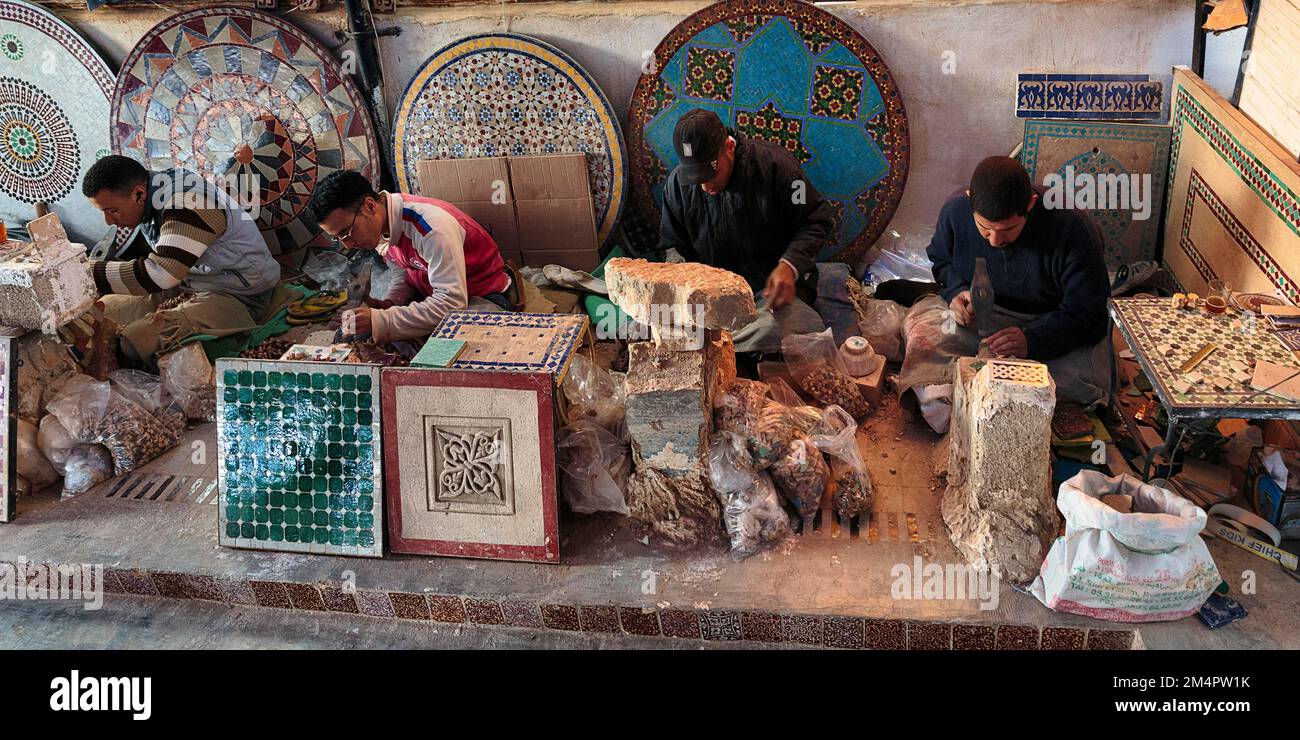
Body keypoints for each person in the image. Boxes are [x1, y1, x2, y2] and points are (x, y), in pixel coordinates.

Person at [900, 156, 1113, 432]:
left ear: (1030, 205)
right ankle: (960, 405)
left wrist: (1032, 340)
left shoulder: (1071, 228)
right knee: (923, 332)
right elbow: (941, 260)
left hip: (1051, 322)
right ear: (969, 201)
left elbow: (1090, 315)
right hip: (983, 314)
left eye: (1007, 230)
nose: (995, 241)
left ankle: (981, 403)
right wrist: (957, 292)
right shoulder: (956, 211)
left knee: (1080, 379)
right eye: (984, 229)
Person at [657, 108, 832, 353]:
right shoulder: (676, 186)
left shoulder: (780, 169)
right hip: (710, 301)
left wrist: (788, 266)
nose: (706, 186)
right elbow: (672, 244)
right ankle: (723, 345)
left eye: (712, 173)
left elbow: (815, 219)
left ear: (729, 147)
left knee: (791, 327)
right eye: (696, 178)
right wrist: (680, 275)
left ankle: (715, 346)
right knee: (648, 324)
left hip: (767, 294)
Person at [81, 156, 280, 364]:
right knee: (106, 309)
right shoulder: (152, 193)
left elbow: (162, 274)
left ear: (138, 194)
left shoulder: (188, 202)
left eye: (112, 211)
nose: (109, 221)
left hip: (243, 295)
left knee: (135, 342)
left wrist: (83, 274)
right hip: (193, 282)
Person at [305, 170, 514, 344]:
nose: (347, 244)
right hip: (434, 294)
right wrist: (383, 304)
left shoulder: (431, 228)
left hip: (480, 297)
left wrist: (382, 319)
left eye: (347, 233)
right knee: (357, 338)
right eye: (338, 238)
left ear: (369, 206)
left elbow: (451, 303)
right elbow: (405, 271)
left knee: (449, 353)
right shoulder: (378, 227)